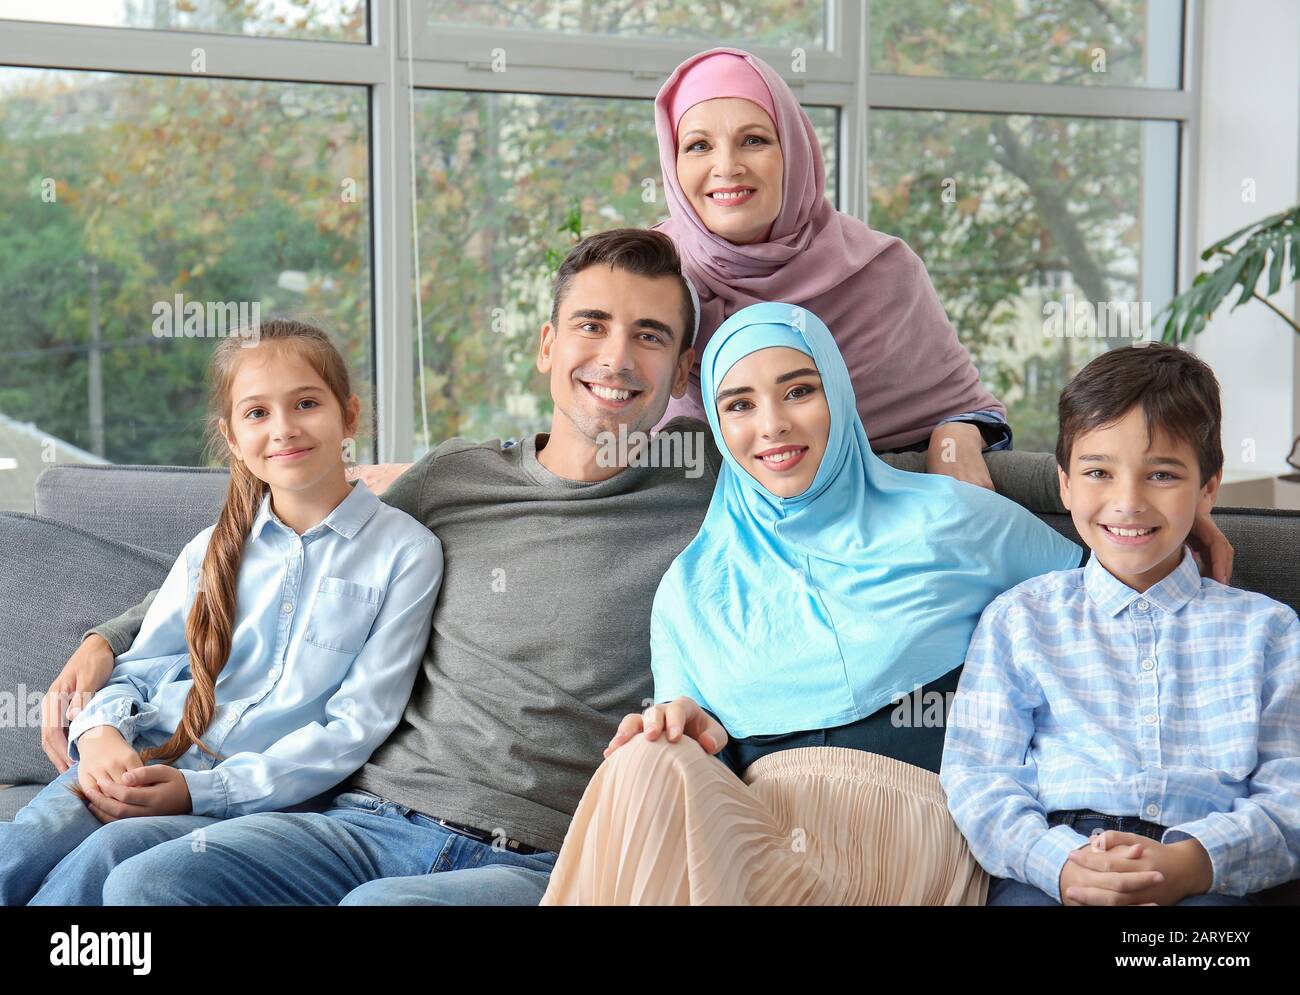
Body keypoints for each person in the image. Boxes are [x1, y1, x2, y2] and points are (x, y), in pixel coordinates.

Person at [41, 229, 718, 905]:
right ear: (547, 345)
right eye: (591, 325)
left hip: (541, 855)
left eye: (650, 336)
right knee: (144, 876)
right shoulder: (455, 480)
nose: (616, 356)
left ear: (684, 371)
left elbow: (804, 460)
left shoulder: (714, 493)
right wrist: (110, 637)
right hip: (365, 821)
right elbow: (298, 550)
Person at [539, 301, 1083, 905]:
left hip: (910, 846)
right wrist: (685, 733)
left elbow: (1108, 591)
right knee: (643, 758)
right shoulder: (691, 590)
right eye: (740, 405)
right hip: (754, 861)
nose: (771, 425)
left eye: (798, 391)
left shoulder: (952, 518)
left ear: (840, 398)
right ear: (719, 427)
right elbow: (693, 777)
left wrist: (1175, 496)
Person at [648, 47, 1235, 581]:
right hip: (701, 545)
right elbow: (604, 430)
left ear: (795, 151)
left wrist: (1160, 512)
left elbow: (964, 412)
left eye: (754, 139)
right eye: (697, 145)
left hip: (881, 555)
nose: (726, 166)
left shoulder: (879, 271)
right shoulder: (652, 282)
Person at [3, 319, 441, 905]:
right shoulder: (212, 548)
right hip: (141, 753)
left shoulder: (406, 554)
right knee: (26, 846)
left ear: (350, 416)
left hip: (240, 798)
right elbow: (139, 668)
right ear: (232, 437)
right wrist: (101, 731)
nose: (284, 428)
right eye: (257, 413)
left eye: (305, 403)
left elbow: (353, 729)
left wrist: (198, 792)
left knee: (96, 867)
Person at [940, 344, 1300, 906]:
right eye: (1098, 473)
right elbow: (978, 779)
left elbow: (1292, 795)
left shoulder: (1271, 633)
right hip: (1057, 867)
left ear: (1208, 488)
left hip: (1205, 872)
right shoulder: (1019, 619)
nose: (1127, 502)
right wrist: (1056, 862)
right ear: (1065, 484)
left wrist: (1194, 862)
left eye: (1161, 474)